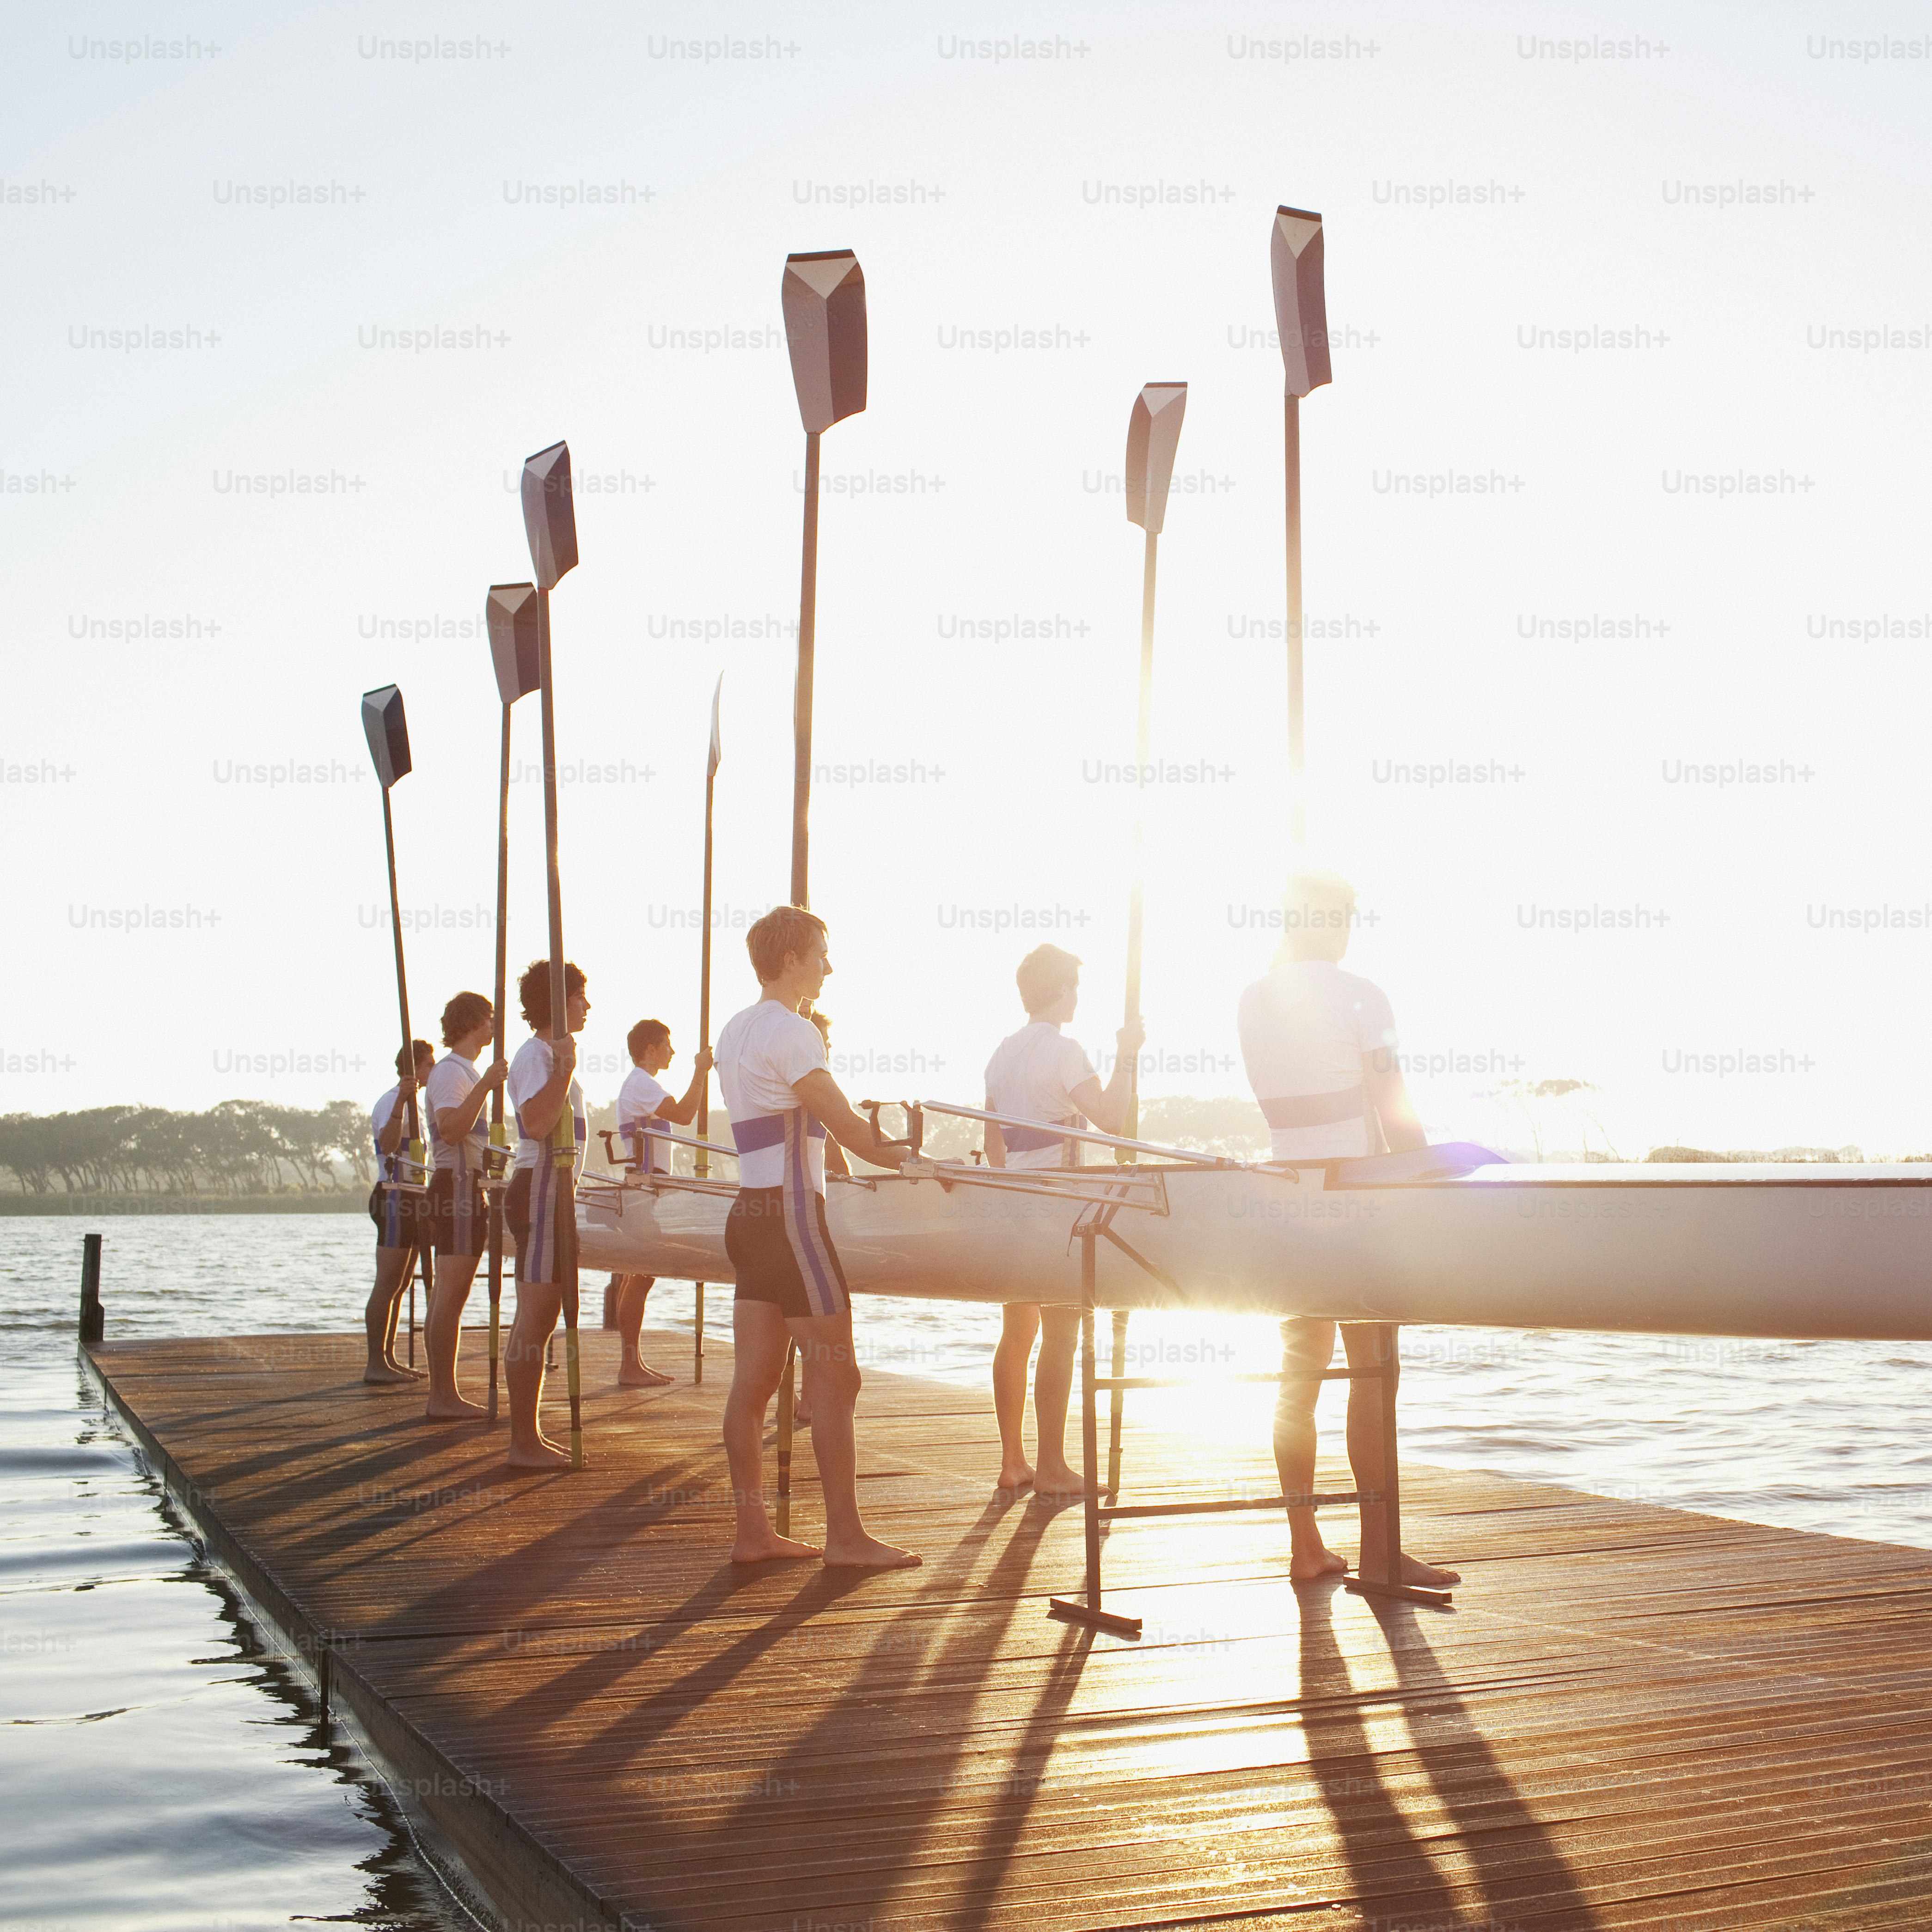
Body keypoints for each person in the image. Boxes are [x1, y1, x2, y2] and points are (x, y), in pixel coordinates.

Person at [1235, 866, 1459, 1591]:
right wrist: (1431, 1185)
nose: (1349, 932)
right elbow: (1393, 1106)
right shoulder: (1363, 994)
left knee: (1298, 1377)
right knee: (1372, 1374)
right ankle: (1380, 1551)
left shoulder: (1252, 1000)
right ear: (1327, 922)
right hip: (1356, 1202)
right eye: (1346, 919)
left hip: (1284, 1203)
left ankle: (1306, 1545)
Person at [716, 905, 920, 1568]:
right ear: (791, 958)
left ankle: (754, 1535)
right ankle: (846, 1540)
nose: (830, 966)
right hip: (794, 1219)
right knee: (839, 1377)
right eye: (822, 954)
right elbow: (850, 1129)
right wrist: (915, 1159)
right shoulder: (797, 1032)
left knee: (753, 1384)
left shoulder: (735, 1030)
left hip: (749, 1214)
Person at [981, 944, 1143, 1495]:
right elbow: (1113, 1117)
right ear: (1059, 991)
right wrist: (1127, 1054)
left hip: (1014, 1202)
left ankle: (1013, 1461)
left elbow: (993, 1145)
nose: (1079, 994)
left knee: (1016, 1332)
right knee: (1061, 1334)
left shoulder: (1000, 1054)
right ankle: (1051, 1466)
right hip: (1056, 1208)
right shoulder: (1066, 1049)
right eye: (1075, 984)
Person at [502, 958, 590, 1470]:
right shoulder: (537, 1054)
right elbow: (536, 1122)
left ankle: (527, 1435)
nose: (587, 1005)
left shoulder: (546, 1054)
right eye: (580, 995)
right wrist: (566, 1070)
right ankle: (522, 1441)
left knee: (541, 1315)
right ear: (558, 1003)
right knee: (535, 1318)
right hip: (539, 1187)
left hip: (553, 1192)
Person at [611, 1017, 714, 1387]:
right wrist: (701, 1072)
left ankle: (632, 1361)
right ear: (650, 1049)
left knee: (640, 1276)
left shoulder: (643, 1085)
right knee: (640, 1276)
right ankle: (629, 1365)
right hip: (646, 1186)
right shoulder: (641, 1083)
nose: (673, 1050)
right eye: (667, 1044)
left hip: (651, 1184)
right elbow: (686, 1114)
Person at [421, 991, 509, 1419]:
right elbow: (451, 1129)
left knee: (447, 1296)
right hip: (455, 1186)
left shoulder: (464, 1072)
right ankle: (442, 1396)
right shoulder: (451, 1072)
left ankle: (443, 1393)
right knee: (450, 1297)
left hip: (465, 1186)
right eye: (490, 1018)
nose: (495, 1026)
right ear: (475, 1021)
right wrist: (488, 1085)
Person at [363, 1039, 434, 1383]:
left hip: (414, 1197)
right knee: (387, 1282)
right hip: (392, 1196)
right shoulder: (392, 1100)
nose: (433, 1071)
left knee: (402, 1283)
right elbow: (388, 1145)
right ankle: (375, 1362)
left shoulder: (419, 1106)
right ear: (414, 1070)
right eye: (429, 1066)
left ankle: (389, 1358)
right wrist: (401, 1102)